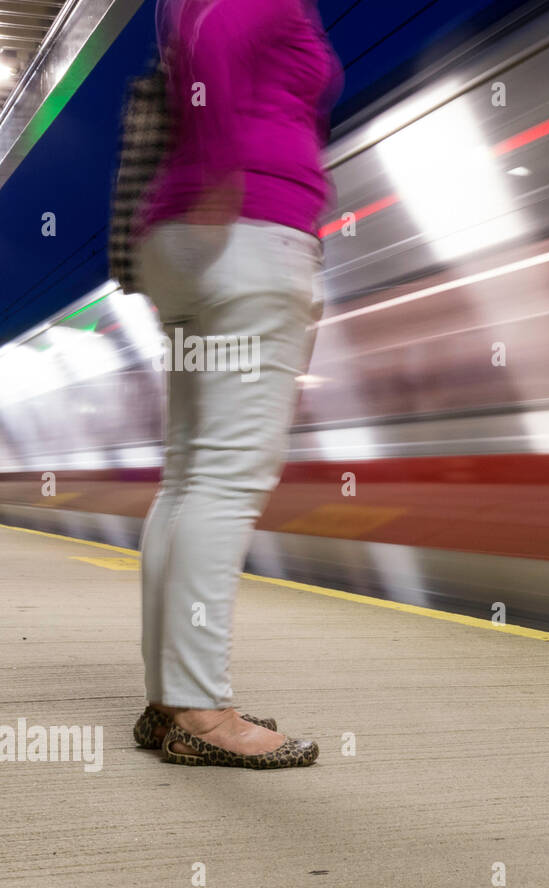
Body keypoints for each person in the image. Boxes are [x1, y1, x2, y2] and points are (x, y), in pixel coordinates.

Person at [130, 0, 343, 769]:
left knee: (189, 478)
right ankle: (201, 710)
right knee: (224, 478)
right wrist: (222, 175)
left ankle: (172, 697)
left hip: (200, 243)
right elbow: (217, 40)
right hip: (248, 232)